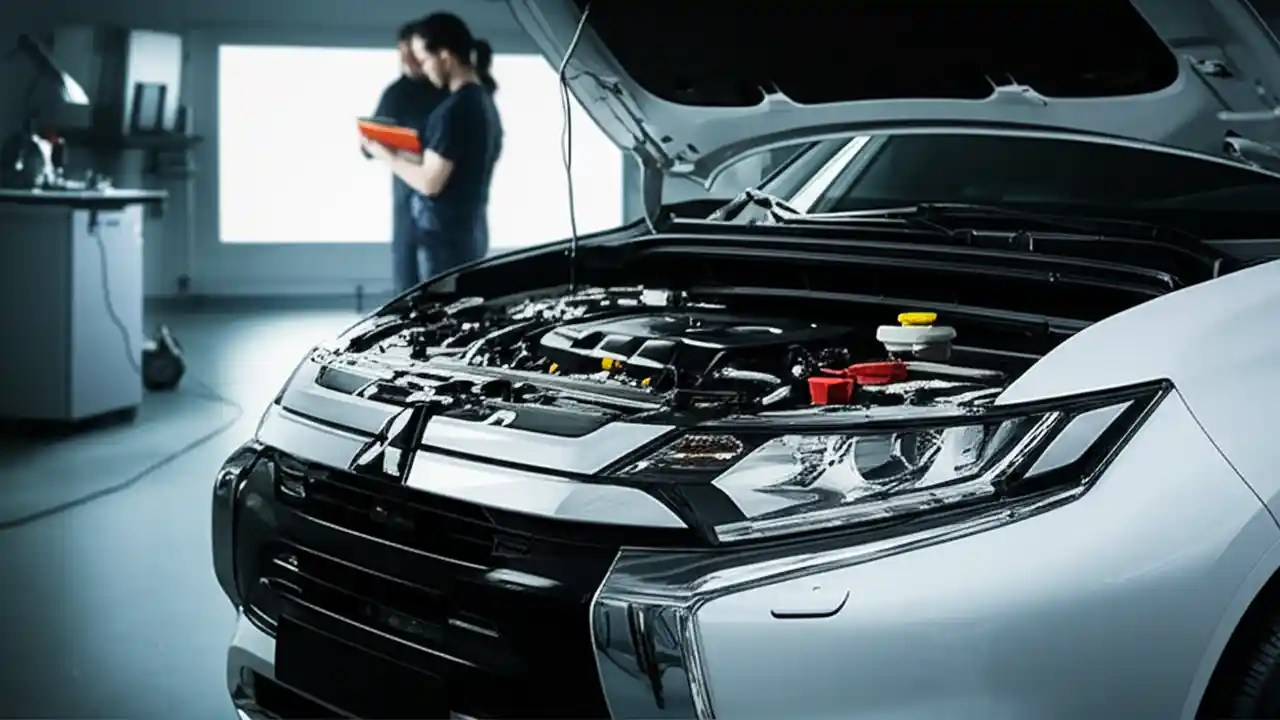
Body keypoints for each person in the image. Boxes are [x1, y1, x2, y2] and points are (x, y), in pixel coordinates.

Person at [361, 13, 503, 286]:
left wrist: (385, 154)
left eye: (424, 59)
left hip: (444, 244)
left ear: (445, 57)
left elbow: (430, 183)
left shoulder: (454, 110)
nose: (423, 68)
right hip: (466, 235)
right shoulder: (482, 103)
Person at [366, 22, 444, 293]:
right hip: (408, 203)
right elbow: (369, 145)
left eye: (412, 52)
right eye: (401, 53)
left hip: (448, 205)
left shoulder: (449, 90)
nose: (406, 59)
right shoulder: (396, 93)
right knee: (408, 283)